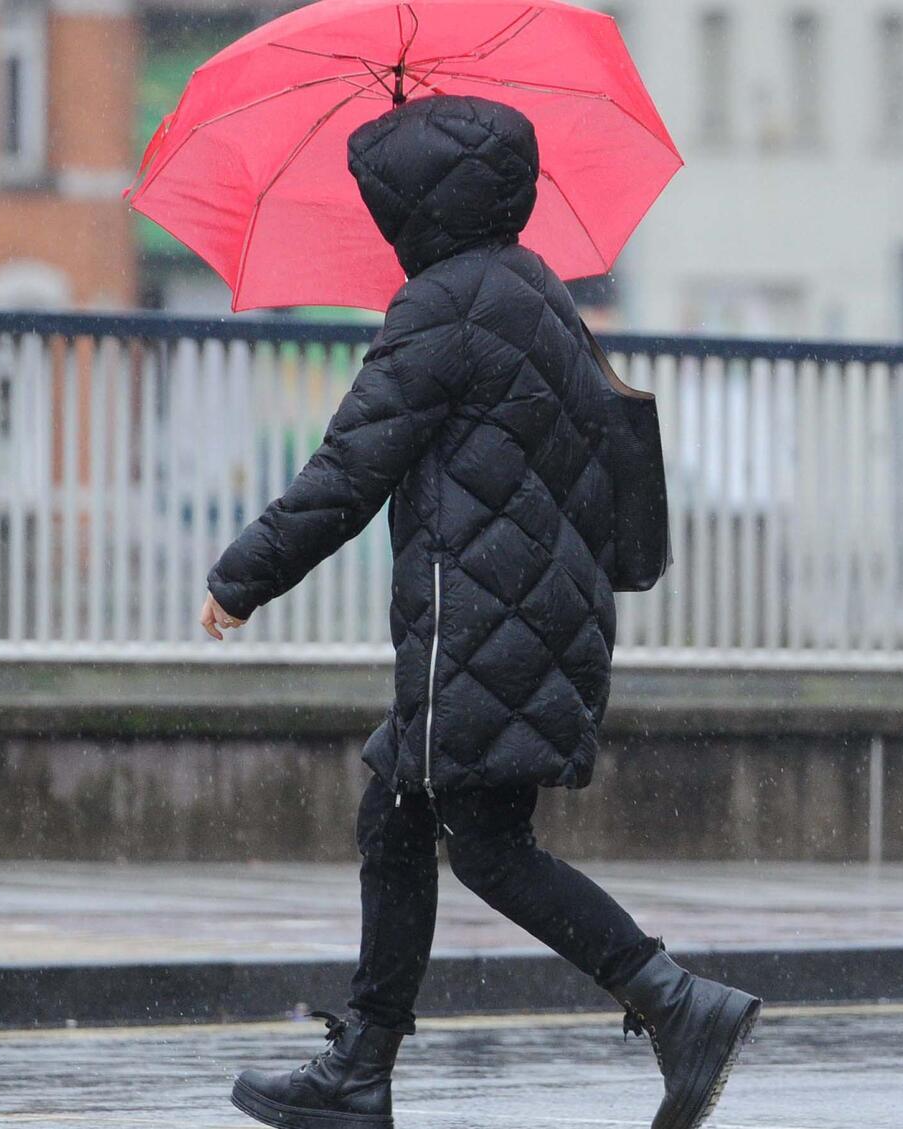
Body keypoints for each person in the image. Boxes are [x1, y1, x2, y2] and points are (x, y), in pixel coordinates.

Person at [200, 95, 762, 1129]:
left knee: (489, 844)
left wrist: (241, 576)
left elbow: (348, 466)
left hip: (478, 624)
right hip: (533, 614)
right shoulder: (535, 289)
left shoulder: (441, 306)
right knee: (397, 814)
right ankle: (360, 1071)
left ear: (416, 205)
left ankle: (677, 1000)